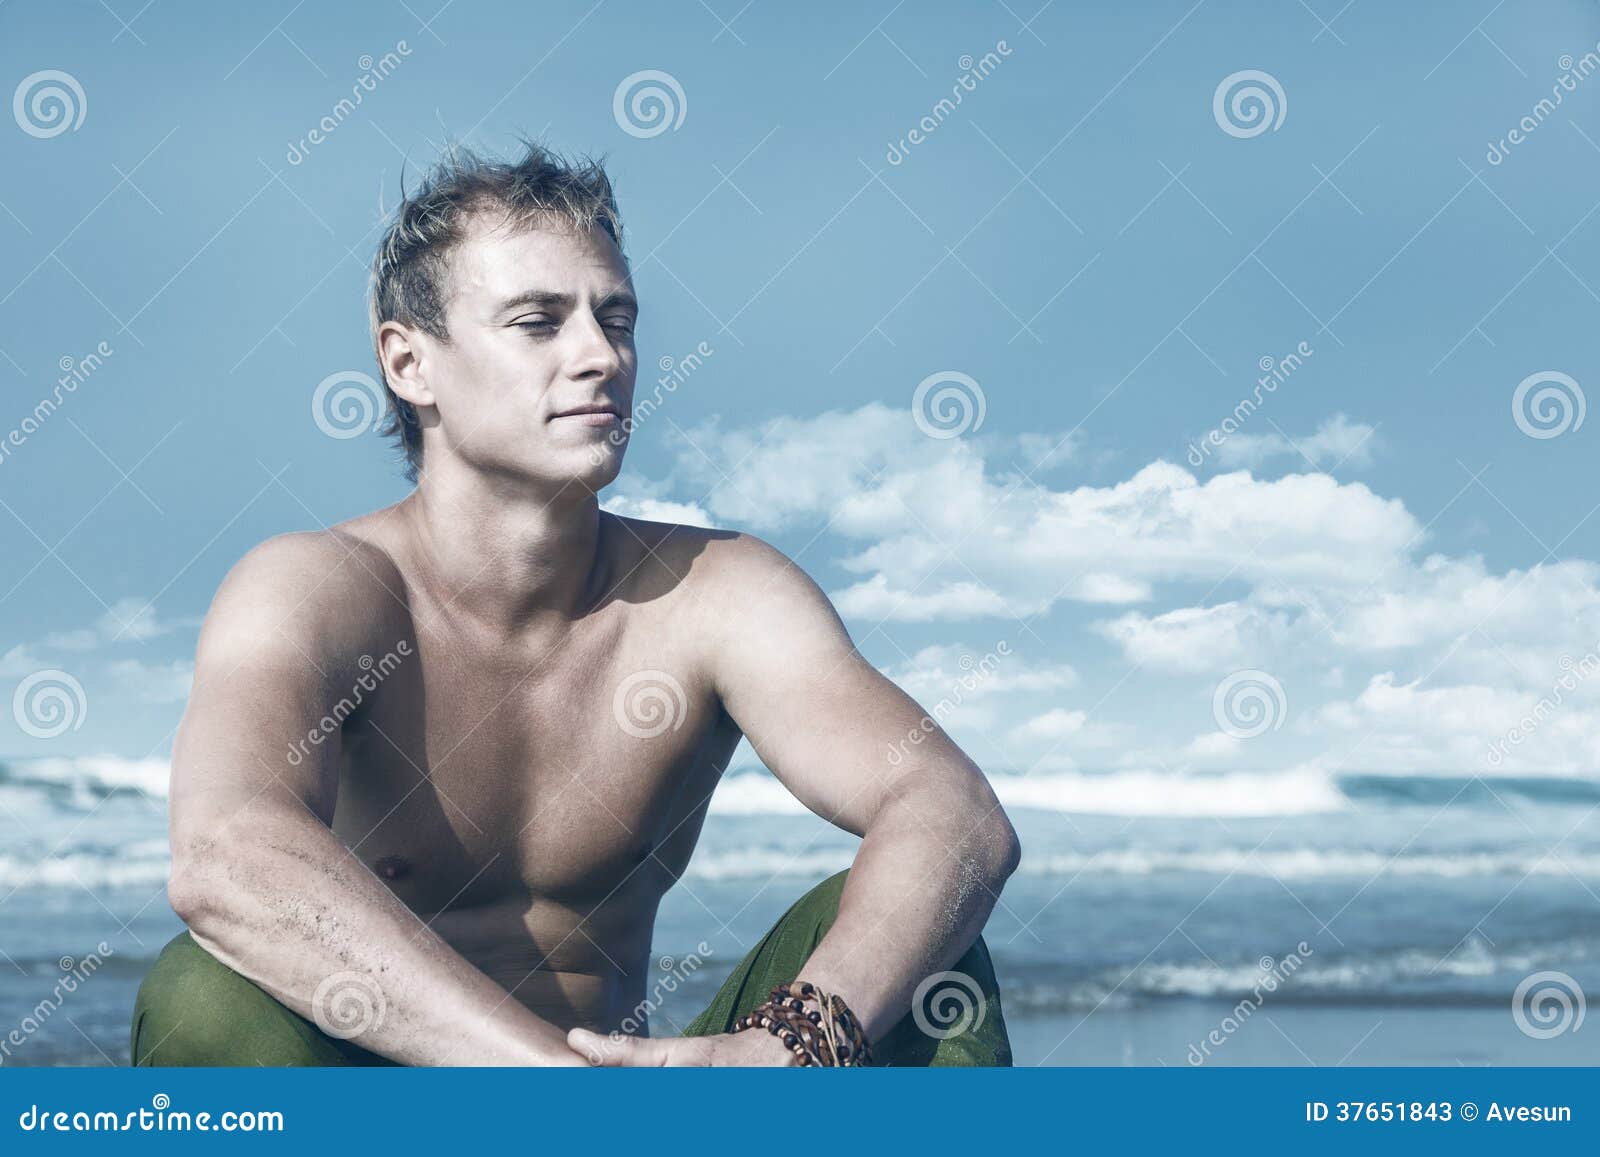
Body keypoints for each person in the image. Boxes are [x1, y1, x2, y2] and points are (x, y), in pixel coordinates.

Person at [130, 142, 1020, 1067]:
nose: (601, 356)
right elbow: (227, 855)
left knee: (921, 962)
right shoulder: (319, 590)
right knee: (206, 992)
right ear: (409, 362)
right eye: (537, 321)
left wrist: (789, 1045)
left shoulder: (714, 593)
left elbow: (953, 811)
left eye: (617, 318)